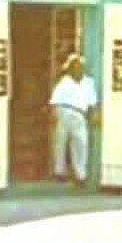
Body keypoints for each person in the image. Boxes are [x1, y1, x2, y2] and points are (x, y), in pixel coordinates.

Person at [48, 53, 97, 187]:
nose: (77, 69)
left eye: (79, 66)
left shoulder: (88, 82)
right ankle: (59, 172)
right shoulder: (64, 82)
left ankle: (81, 175)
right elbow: (54, 100)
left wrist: (93, 117)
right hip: (63, 111)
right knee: (60, 143)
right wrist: (54, 116)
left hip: (80, 114)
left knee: (81, 144)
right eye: (74, 66)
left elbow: (92, 102)